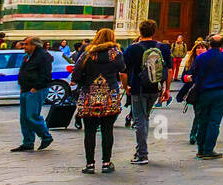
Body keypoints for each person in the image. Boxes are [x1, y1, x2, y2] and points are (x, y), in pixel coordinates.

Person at [73, 28, 126, 174]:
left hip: (89, 96)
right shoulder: (117, 55)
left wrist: (86, 81)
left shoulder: (87, 54)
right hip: (109, 96)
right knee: (107, 130)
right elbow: (122, 69)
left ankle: (90, 164)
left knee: (89, 131)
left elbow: (76, 74)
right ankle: (106, 163)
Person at [124, 20, 172, 164]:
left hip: (138, 88)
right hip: (155, 88)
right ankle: (141, 151)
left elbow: (123, 71)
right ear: (154, 31)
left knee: (140, 120)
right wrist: (167, 89)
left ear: (140, 31)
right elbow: (169, 70)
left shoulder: (133, 49)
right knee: (144, 117)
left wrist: (126, 86)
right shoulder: (162, 47)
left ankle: (142, 154)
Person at [188, 35, 223, 158]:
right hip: (220, 92)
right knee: (214, 122)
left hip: (203, 92)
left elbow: (194, 72)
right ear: (222, 45)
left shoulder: (201, 58)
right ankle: (208, 150)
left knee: (203, 121)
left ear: (209, 44)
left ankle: (200, 149)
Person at [9, 35, 55, 154]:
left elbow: (45, 75)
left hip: (35, 89)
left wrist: (36, 87)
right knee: (24, 118)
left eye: (26, 44)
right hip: (26, 89)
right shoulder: (27, 57)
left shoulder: (43, 57)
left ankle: (45, 136)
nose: (23, 46)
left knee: (32, 115)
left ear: (34, 45)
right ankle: (28, 142)